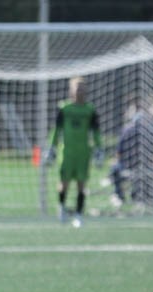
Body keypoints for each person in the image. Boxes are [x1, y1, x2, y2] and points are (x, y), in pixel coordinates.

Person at [46, 76, 102, 228]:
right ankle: (62, 208)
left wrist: (99, 149)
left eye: (83, 88)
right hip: (67, 153)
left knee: (82, 185)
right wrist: (52, 148)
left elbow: (96, 132)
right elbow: (56, 130)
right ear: (71, 90)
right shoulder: (64, 108)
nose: (80, 91)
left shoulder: (90, 110)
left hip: (83, 153)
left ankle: (78, 215)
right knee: (63, 184)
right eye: (77, 88)